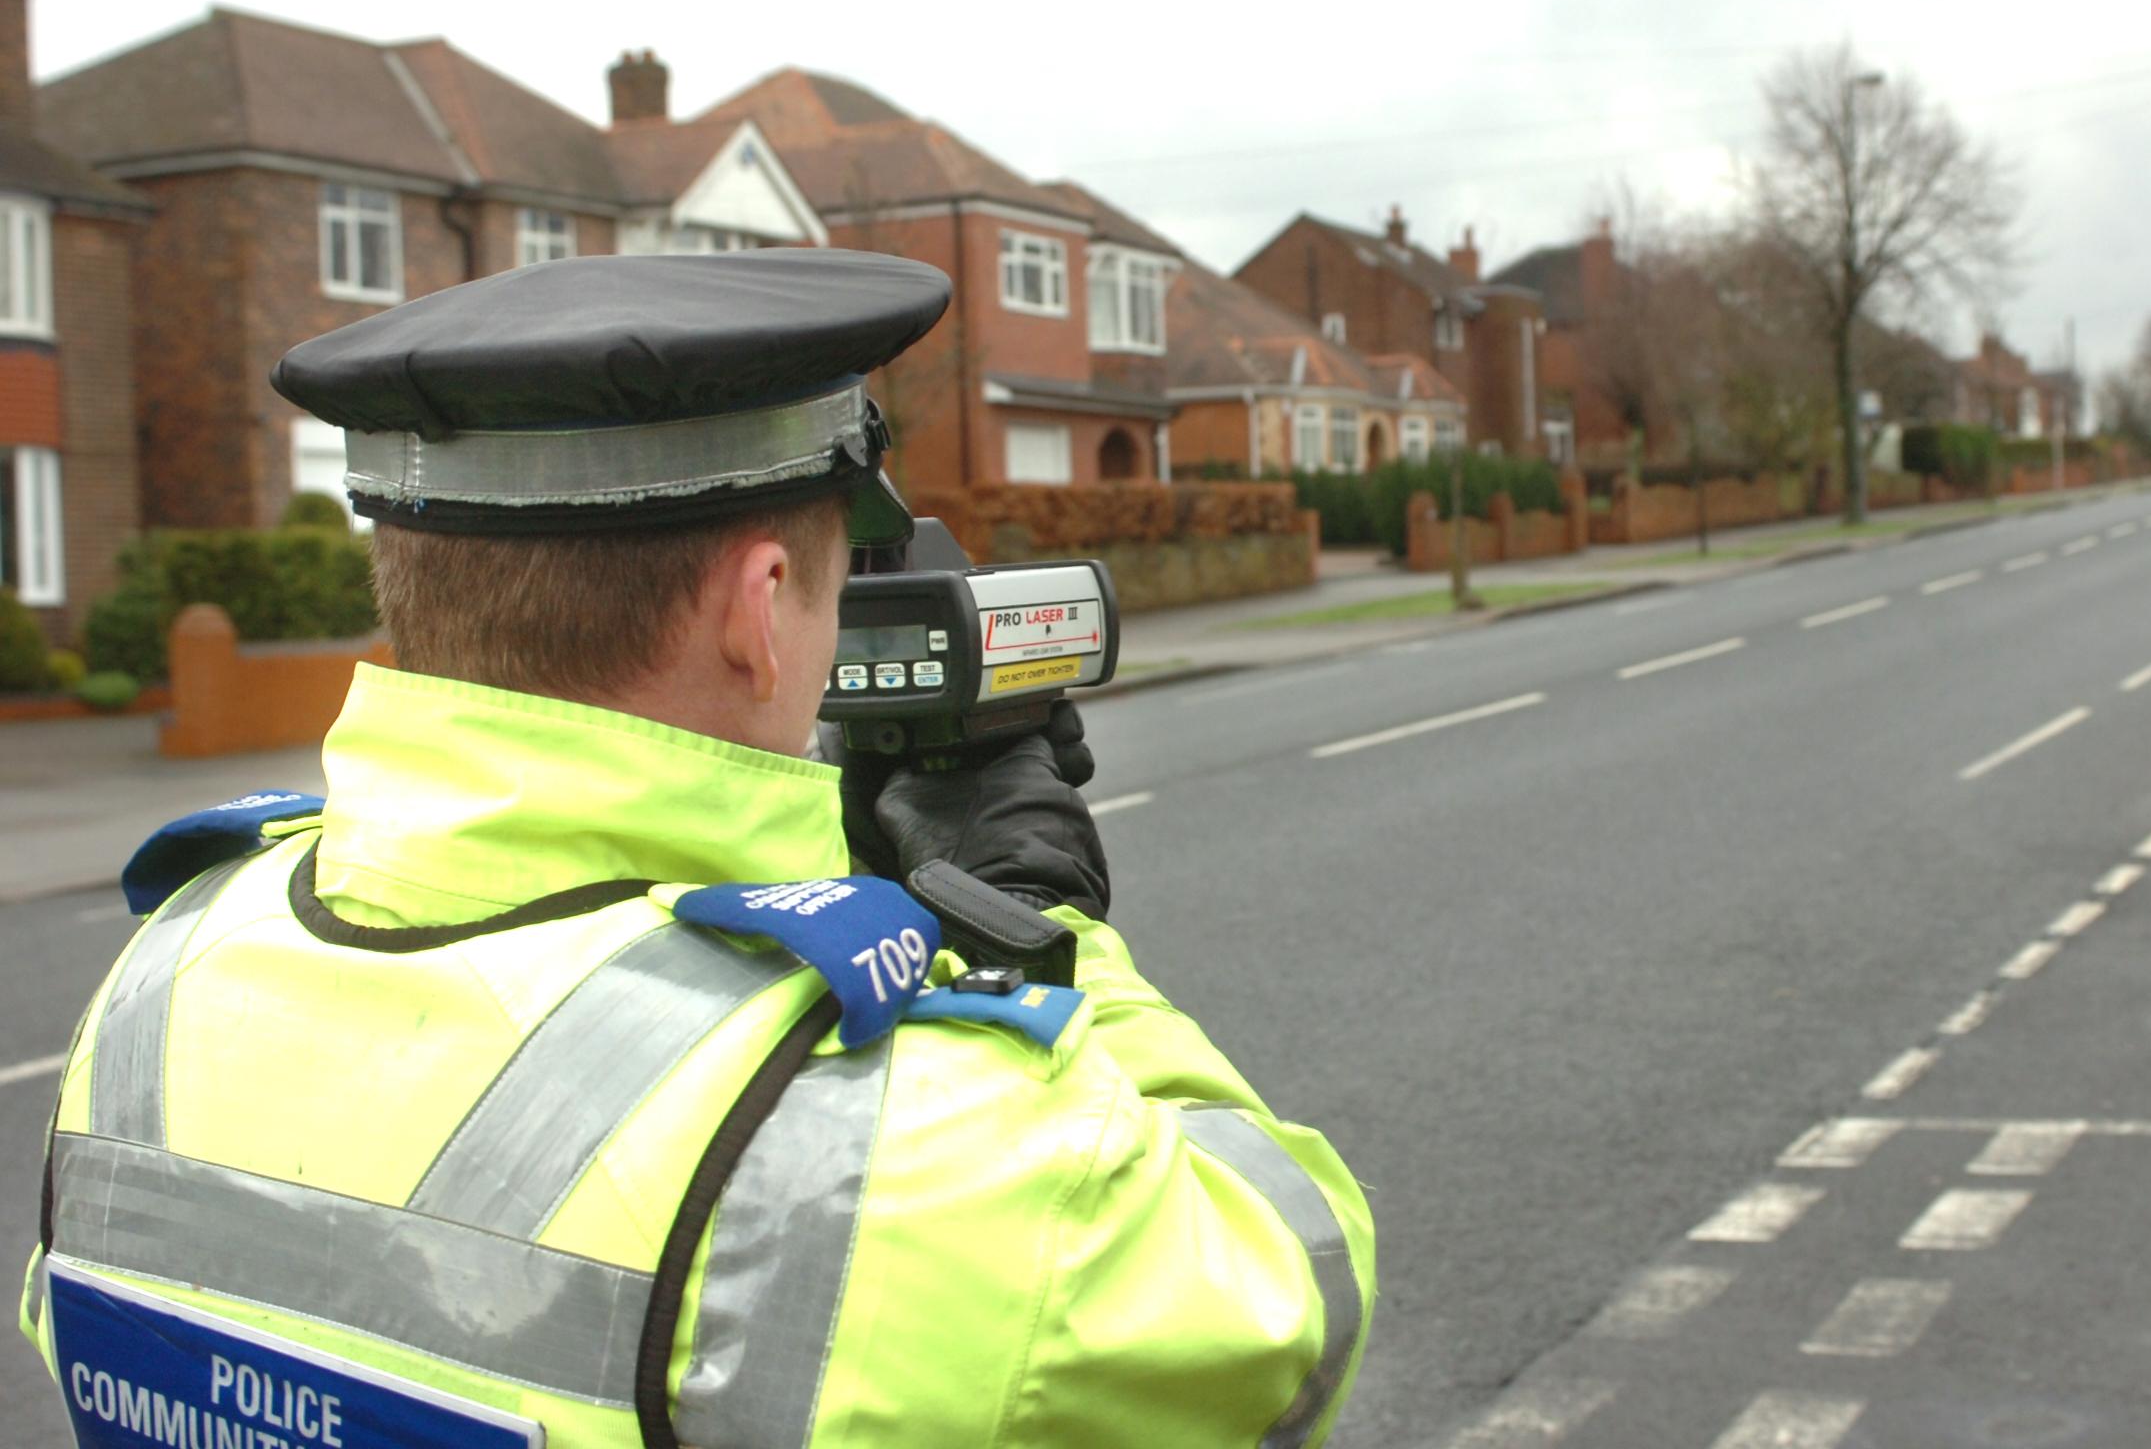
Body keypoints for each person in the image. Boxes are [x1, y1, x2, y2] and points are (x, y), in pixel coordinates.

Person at [19, 249, 1373, 1448]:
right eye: (844, 582)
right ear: (764, 606)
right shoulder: (897, 1147)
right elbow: (1289, 1302)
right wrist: (1040, 936)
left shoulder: (161, 984)